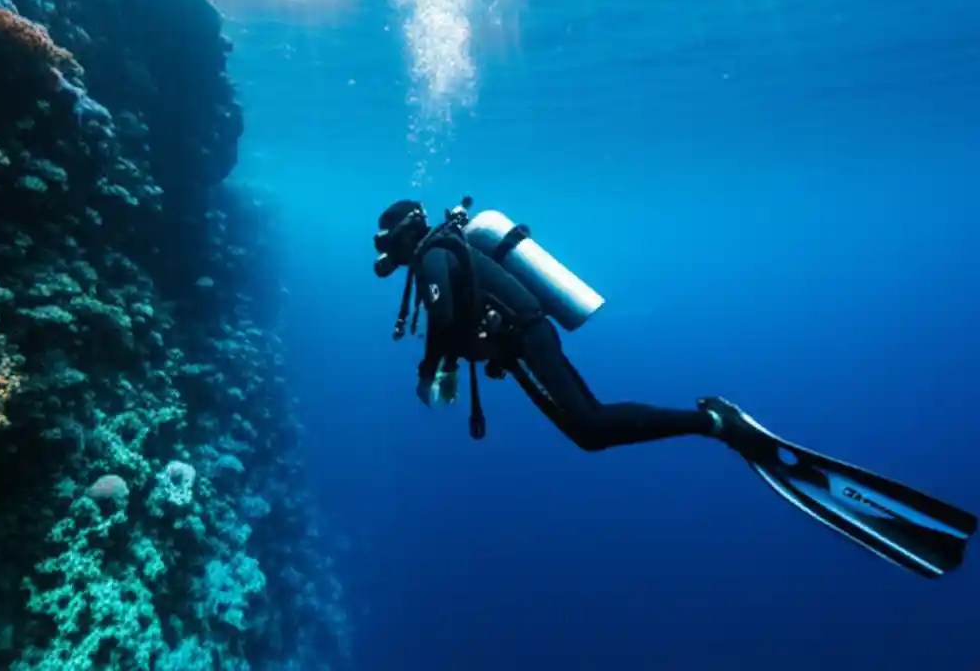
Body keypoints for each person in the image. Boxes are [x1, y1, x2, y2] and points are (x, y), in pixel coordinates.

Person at [372, 196, 977, 579]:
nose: (387, 256)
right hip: (529, 335)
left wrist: (434, 371)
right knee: (590, 428)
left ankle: (716, 422)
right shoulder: (442, 250)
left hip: (528, 339)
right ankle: (715, 422)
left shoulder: (432, 258)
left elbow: (447, 320)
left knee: (591, 427)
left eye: (386, 244)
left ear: (403, 236)